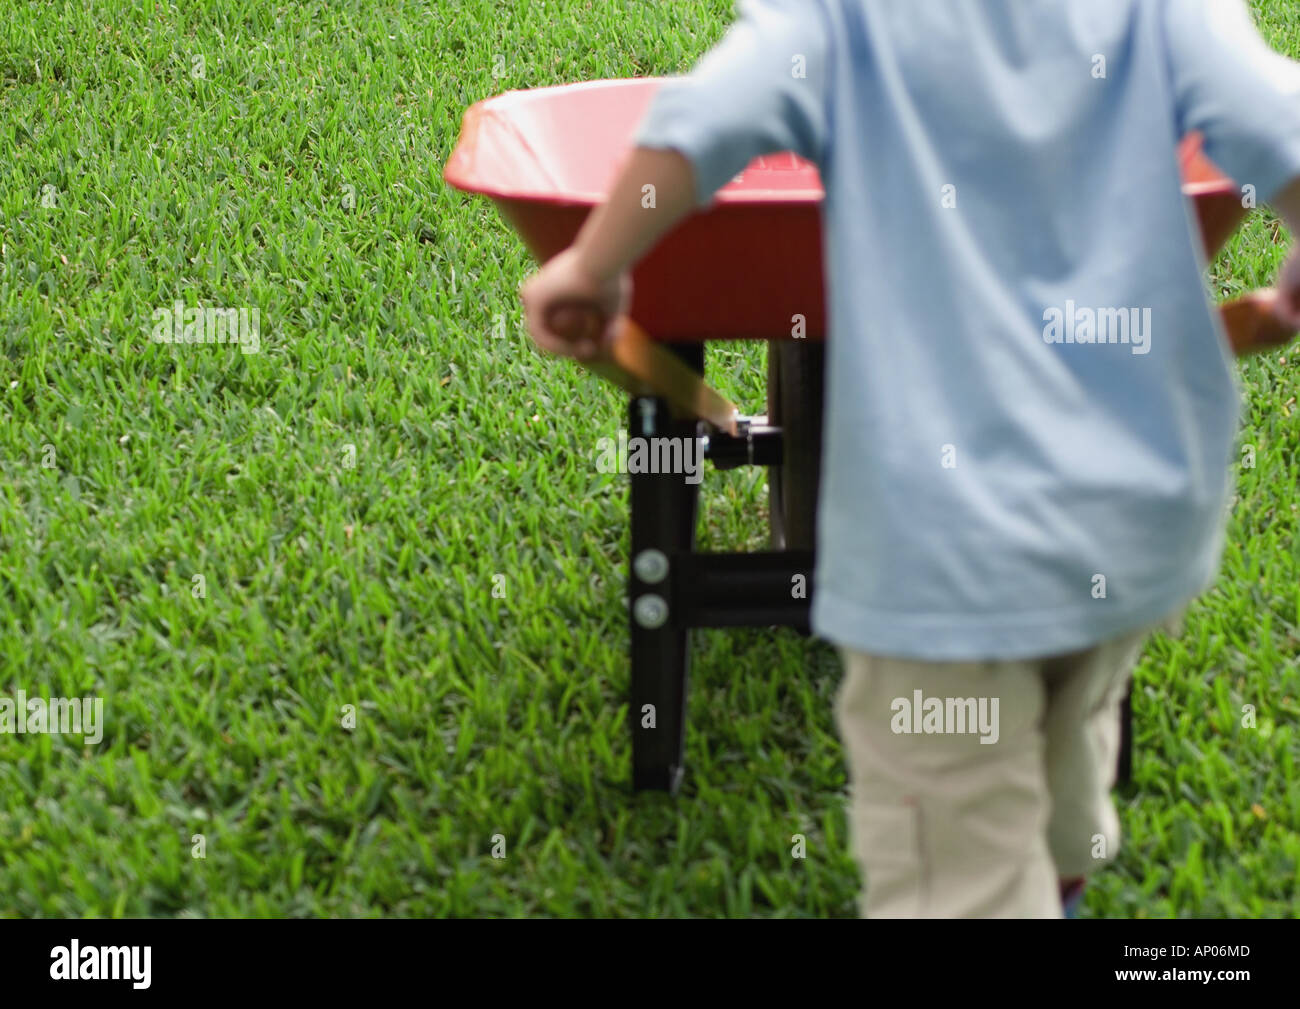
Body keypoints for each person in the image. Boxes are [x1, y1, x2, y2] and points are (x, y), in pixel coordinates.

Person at [520, 0, 1300, 917]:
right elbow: (1279, 120)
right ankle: (1058, 875)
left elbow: (703, 123)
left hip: (944, 551)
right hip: (1129, 526)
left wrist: (593, 266)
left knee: (952, 859)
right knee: (1069, 716)